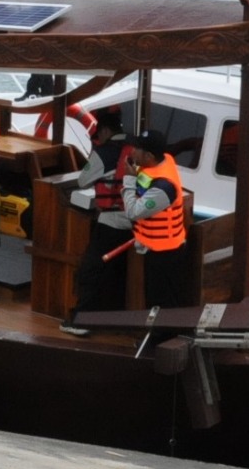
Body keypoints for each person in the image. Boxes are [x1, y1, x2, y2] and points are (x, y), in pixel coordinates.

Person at [62, 108, 130, 335]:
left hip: (111, 222)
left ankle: (81, 321)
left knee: (90, 270)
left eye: (98, 134)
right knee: (117, 274)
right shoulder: (134, 150)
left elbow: (83, 180)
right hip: (134, 223)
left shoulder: (105, 152)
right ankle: (112, 320)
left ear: (105, 130)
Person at [121, 128, 190, 310]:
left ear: (149, 156)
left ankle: (161, 337)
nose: (132, 151)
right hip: (153, 249)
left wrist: (128, 180)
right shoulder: (161, 161)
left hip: (166, 252)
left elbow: (133, 211)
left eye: (137, 149)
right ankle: (157, 335)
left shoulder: (163, 187)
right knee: (154, 298)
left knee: (162, 302)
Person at [21, 0, 62, 98]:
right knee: (36, 53)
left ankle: (39, 90)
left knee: (44, 55)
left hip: (49, 19)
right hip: (36, 18)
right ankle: (40, 90)